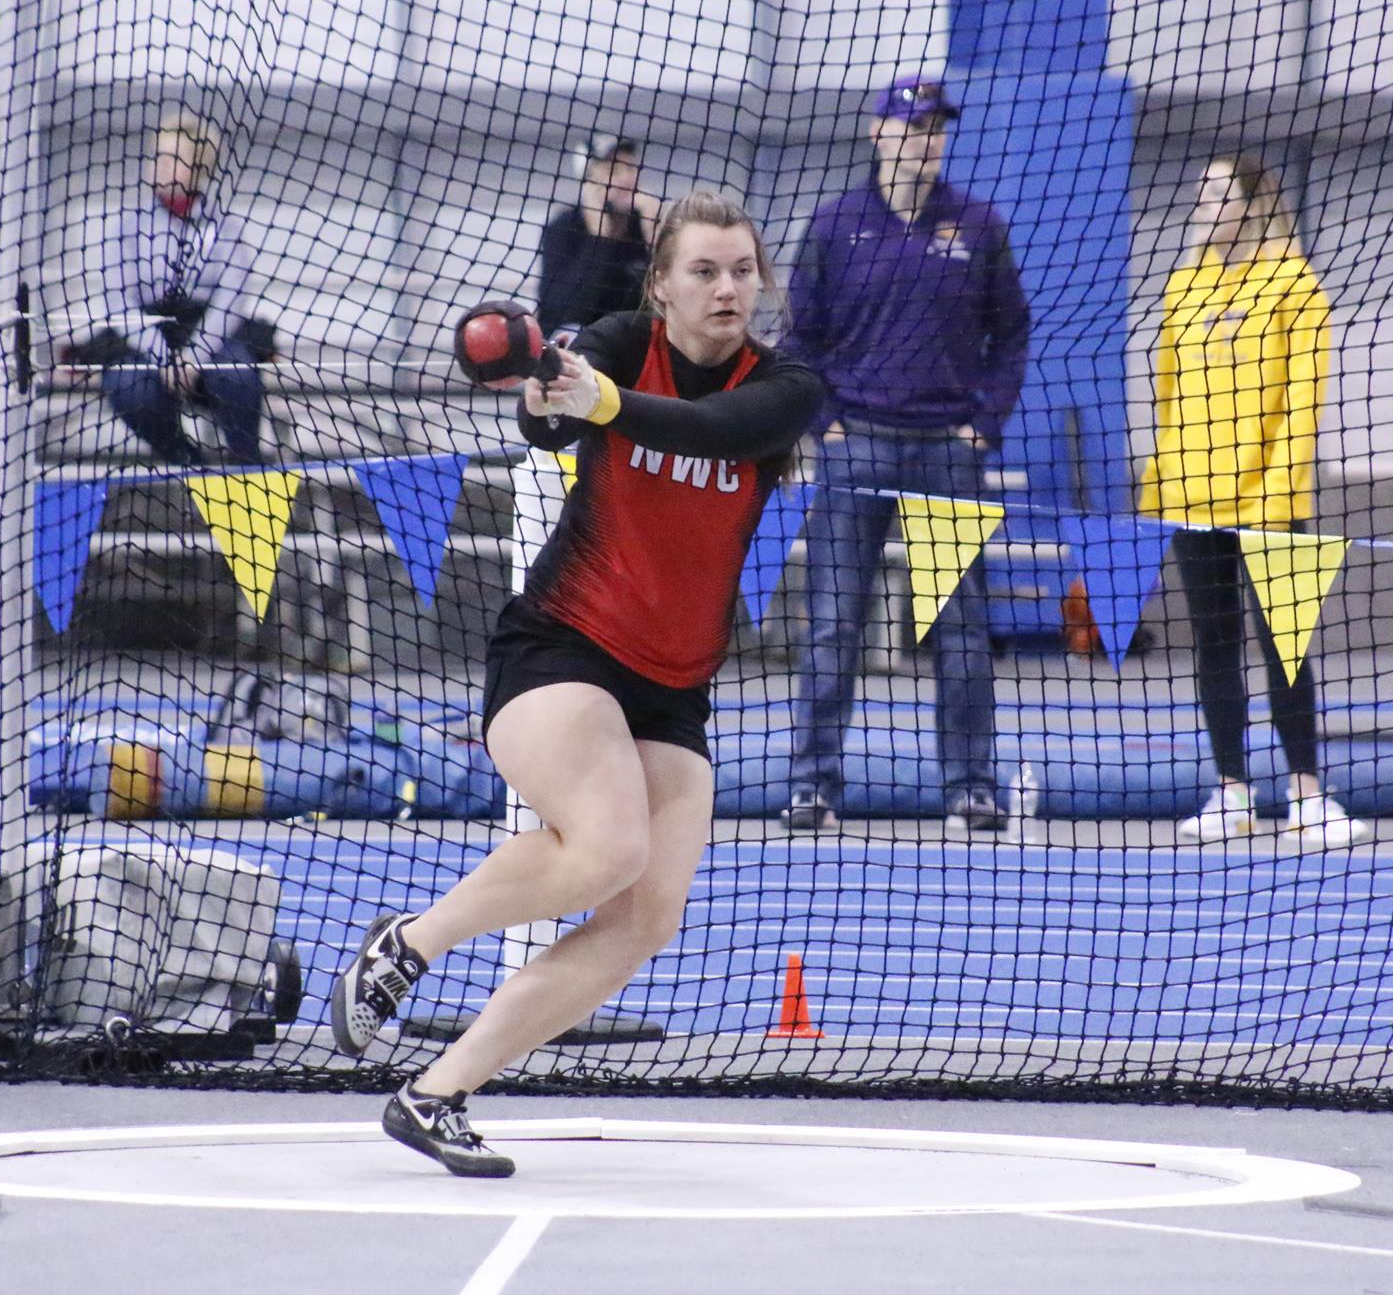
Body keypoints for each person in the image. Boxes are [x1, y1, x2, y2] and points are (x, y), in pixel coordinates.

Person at [330, 190, 823, 1177]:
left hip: (672, 689)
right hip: (561, 649)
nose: (726, 287)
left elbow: (717, 430)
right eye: (703, 270)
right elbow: (555, 426)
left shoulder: (787, 387)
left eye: (740, 270)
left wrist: (601, 404)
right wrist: (549, 394)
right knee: (604, 846)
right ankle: (411, 942)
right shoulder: (613, 338)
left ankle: (436, 1093)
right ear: (661, 287)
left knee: (647, 913)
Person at [781, 75, 1031, 833]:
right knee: (834, 622)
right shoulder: (833, 226)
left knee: (960, 624)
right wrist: (823, 420)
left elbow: (1012, 332)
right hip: (855, 448)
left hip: (947, 450)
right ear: (877, 132)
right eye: (912, 125)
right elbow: (800, 337)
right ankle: (812, 786)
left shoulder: (978, 227)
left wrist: (983, 425)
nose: (926, 138)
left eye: (936, 127)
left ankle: (972, 785)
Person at [1138, 153, 1365, 851]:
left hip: (1269, 500)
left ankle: (1306, 793)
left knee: (1284, 645)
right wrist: (1161, 485)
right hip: (1192, 499)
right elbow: (1168, 393)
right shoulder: (1183, 287)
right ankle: (1232, 790)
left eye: (1215, 190)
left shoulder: (1294, 282)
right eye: (1198, 189)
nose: (1200, 199)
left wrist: (1271, 489)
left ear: (1252, 201)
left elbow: (1304, 400)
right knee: (1214, 643)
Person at [90, 113, 267, 465]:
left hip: (210, 340)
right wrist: (164, 357)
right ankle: (185, 463)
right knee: (128, 388)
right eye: (157, 156)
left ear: (198, 168)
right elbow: (120, 303)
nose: (159, 167)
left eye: (172, 159)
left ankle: (248, 469)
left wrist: (192, 357)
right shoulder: (127, 226)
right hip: (148, 339)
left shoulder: (224, 228)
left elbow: (231, 300)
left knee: (239, 376)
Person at [536, 132, 658, 338]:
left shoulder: (643, 225)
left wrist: (654, 238)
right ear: (588, 181)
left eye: (630, 168)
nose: (626, 178)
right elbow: (563, 313)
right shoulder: (564, 228)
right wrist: (600, 239)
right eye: (613, 170)